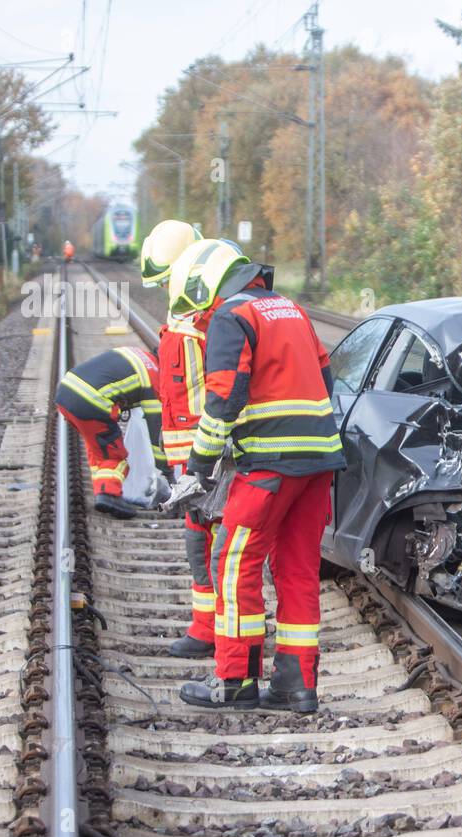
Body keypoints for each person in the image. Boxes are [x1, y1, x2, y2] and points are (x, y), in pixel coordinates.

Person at [163, 240, 344, 712]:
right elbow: (325, 380)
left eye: (198, 309)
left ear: (208, 287)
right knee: (298, 570)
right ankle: (297, 685)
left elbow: (223, 399)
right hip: (320, 462)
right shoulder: (290, 309)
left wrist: (198, 468)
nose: (200, 319)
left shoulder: (231, 316)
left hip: (269, 465)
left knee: (232, 563)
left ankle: (234, 681)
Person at [139, 222, 223, 659]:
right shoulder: (186, 316)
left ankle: (216, 633)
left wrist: (200, 461)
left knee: (212, 546)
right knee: (200, 543)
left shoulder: (208, 318)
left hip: (207, 457)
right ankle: (205, 628)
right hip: (191, 459)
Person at [55, 346, 169, 519]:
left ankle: (102, 490)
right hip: (91, 401)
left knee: (98, 450)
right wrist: (165, 469)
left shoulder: (137, 354)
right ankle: (109, 496)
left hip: (66, 393)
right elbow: (156, 428)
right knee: (113, 455)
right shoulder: (154, 376)